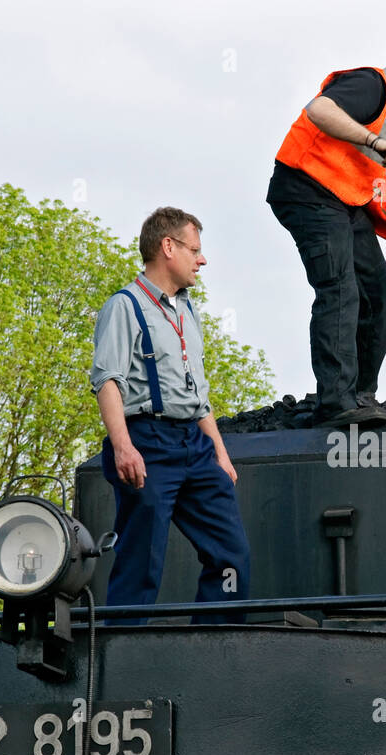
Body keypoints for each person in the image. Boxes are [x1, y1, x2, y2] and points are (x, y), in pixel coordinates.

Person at [268, 37, 386, 428]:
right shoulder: (372, 84)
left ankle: (360, 396)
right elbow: (318, 109)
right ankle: (335, 402)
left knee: (379, 292)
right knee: (340, 288)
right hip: (307, 189)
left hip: (344, 202)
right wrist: (373, 139)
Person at [89, 207, 251, 623]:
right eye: (195, 249)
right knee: (141, 562)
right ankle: (121, 657)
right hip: (147, 442)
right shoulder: (124, 307)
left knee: (231, 555)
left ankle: (212, 649)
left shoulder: (186, 311)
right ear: (168, 247)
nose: (202, 259)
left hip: (193, 445)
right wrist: (123, 447)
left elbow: (198, 394)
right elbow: (108, 381)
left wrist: (220, 452)